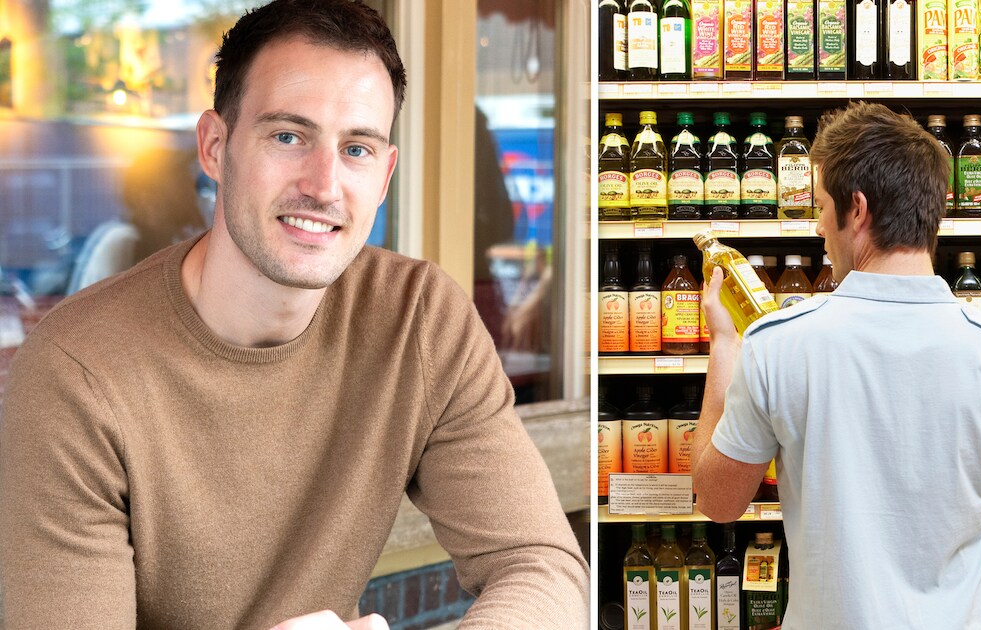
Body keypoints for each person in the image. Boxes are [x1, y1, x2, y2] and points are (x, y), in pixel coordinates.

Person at [0, 2, 588, 629]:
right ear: (215, 147)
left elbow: (540, 566)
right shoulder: (76, 375)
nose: (324, 185)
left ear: (385, 176)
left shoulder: (418, 319)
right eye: (288, 136)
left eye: (356, 149)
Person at [691, 102, 981, 628]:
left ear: (857, 209)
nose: (819, 227)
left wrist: (725, 346)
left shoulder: (776, 346)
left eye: (822, 207)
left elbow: (717, 500)